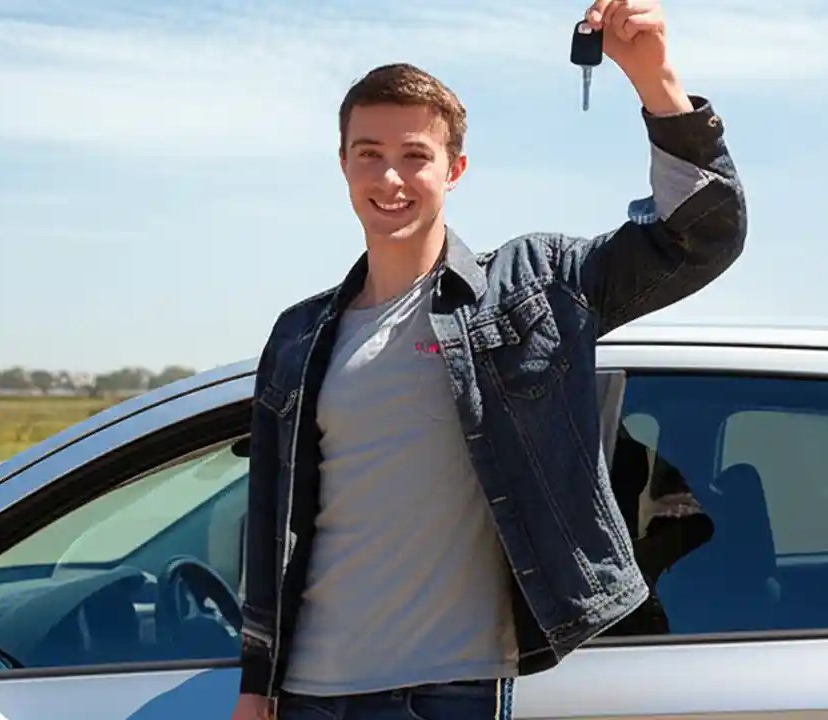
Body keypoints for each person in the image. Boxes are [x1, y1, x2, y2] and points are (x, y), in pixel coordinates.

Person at [232, 0, 748, 718]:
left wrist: (655, 81)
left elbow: (700, 239)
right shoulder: (298, 335)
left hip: (449, 689)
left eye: (415, 156)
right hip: (310, 691)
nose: (390, 180)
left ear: (456, 169)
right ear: (343, 165)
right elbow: (270, 521)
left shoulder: (533, 286)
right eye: (369, 155)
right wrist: (256, 687)